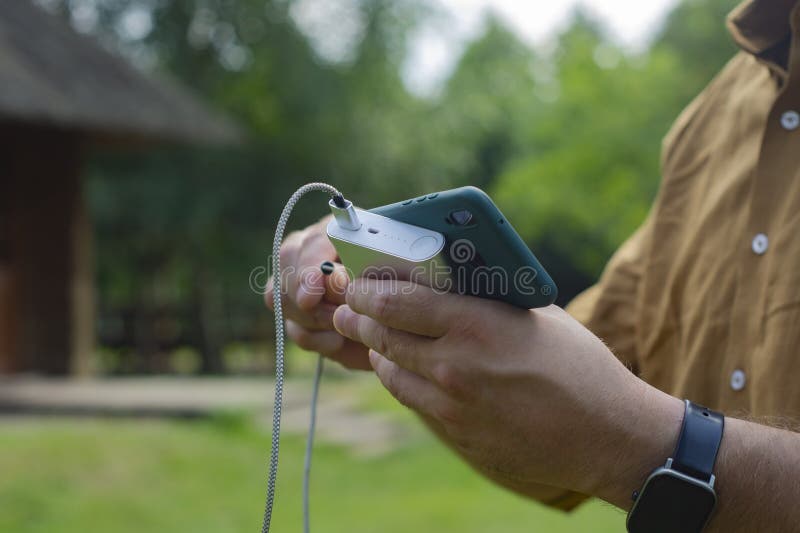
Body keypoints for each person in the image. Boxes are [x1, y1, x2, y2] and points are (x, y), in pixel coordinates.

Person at [266, 1, 800, 530]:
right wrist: (410, 345)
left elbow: (603, 425)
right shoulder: (709, 122)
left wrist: (643, 441)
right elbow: (547, 428)